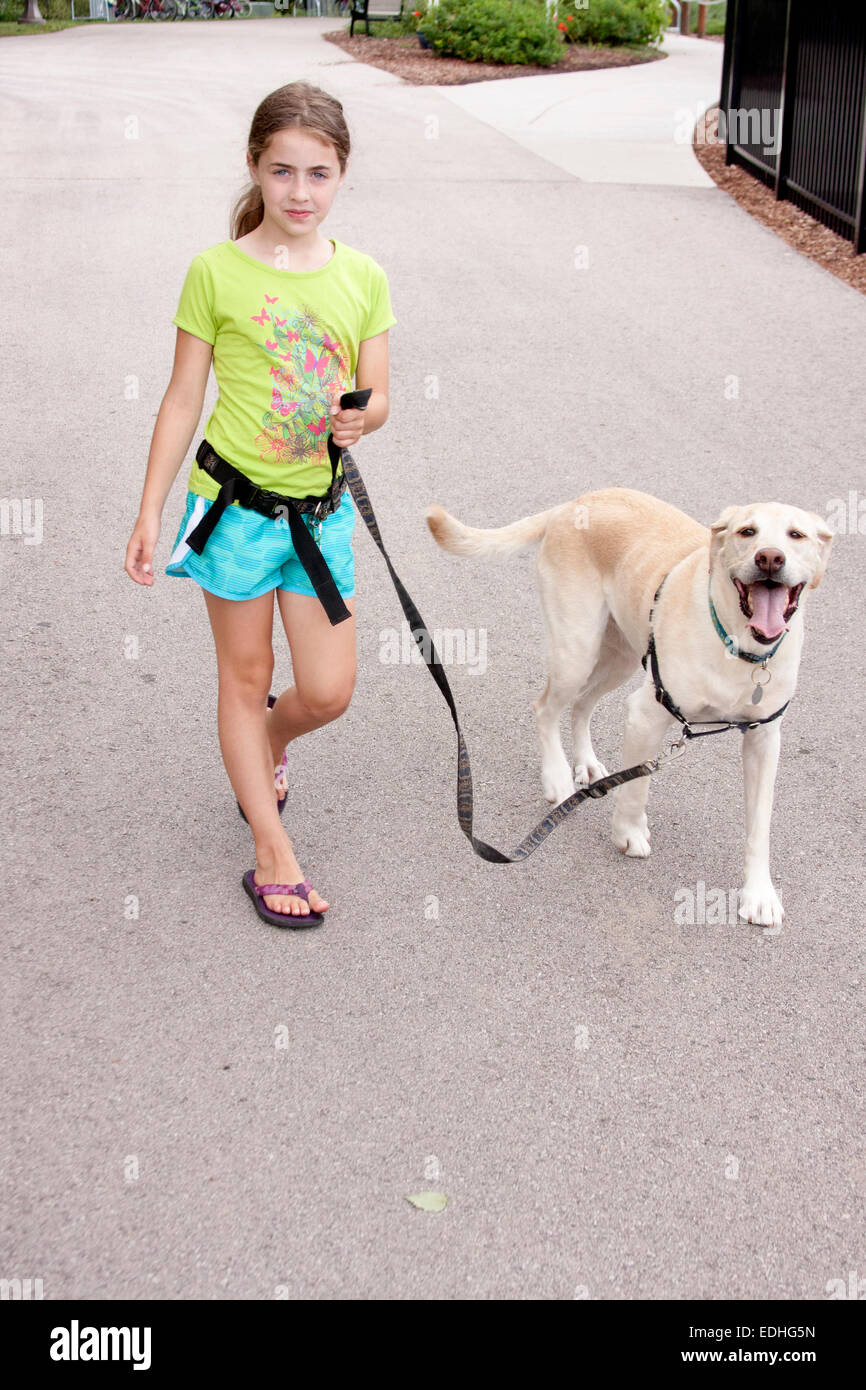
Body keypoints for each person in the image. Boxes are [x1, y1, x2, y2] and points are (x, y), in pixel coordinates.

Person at [124, 82, 396, 929]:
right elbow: (179, 399)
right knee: (245, 679)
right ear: (255, 167)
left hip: (319, 515)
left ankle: (270, 746)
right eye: (282, 171)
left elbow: (379, 394)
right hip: (234, 512)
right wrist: (149, 509)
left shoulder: (363, 276)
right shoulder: (216, 271)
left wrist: (365, 416)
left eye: (319, 173)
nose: (300, 192)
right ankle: (271, 850)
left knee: (327, 691)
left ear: (343, 174)